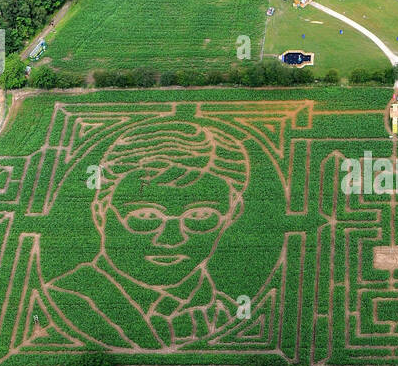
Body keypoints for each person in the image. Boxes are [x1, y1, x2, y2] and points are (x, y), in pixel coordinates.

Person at [47, 120, 250, 350]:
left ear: (231, 215)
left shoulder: (226, 312)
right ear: (101, 213)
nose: (172, 239)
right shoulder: (70, 299)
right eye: (145, 216)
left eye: (201, 216)